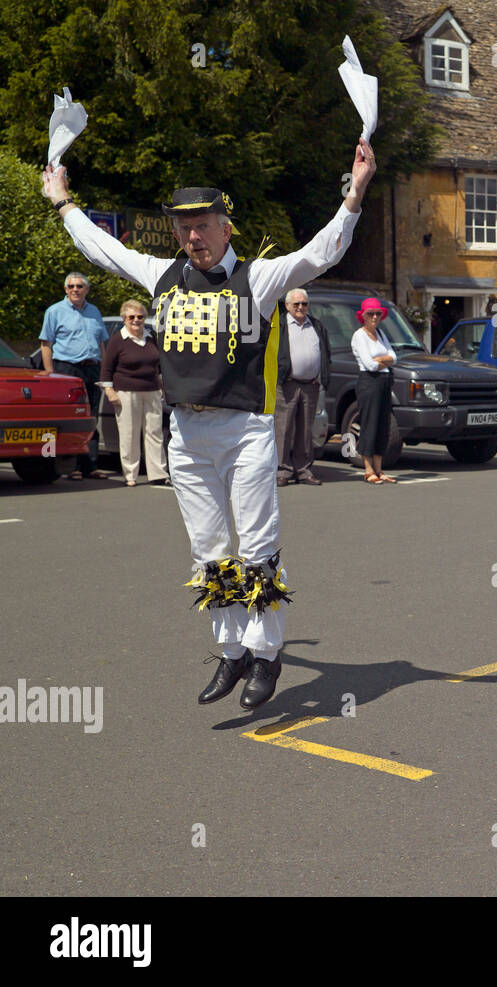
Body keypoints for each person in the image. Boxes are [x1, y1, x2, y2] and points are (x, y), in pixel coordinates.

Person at [43, 139, 376, 710]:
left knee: (258, 548)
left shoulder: (262, 278)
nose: (192, 236)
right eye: (183, 227)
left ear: (226, 228)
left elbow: (322, 253)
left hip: (244, 431)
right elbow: (102, 250)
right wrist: (63, 201)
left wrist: (357, 189)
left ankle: (267, 653)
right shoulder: (161, 276)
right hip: (186, 433)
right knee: (208, 550)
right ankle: (231, 650)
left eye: (202, 225)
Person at [39, 272, 110, 479]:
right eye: (71, 286)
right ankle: (71, 467)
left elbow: (101, 345)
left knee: (90, 417)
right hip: (67, 370)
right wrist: (50, 373)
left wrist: (104, 373)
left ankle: (91, 465)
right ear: (65, 289)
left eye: (79, 286)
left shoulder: (94, 312)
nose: (75, 290)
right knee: (68, 418)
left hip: (92, 370)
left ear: (87, 289)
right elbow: (46, 344)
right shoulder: (55, 311)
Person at [100, 299, 167, 486]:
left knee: (154, 433)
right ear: (124, 319)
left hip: (152, 391)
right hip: (126, 392)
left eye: (140, 316)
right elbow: (106, 368)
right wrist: (109, 390)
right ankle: (130, 475)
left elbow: (159, 365)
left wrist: (162, 387)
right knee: (129, 434)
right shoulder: (117, 340)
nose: (136, 320)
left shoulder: (151, 337)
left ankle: (158, 473)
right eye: (132, 317)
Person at [275, 288, 331, 486]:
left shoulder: (316, 325)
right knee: (283, 429)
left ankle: (304, 470)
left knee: (306, 430)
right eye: (296, 304)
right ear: (288, 305)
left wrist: (322, 375)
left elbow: (326, 352)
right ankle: (282, 471)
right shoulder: (279, 324)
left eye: (304, 304)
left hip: (311, 385)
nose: (300, 307)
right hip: (286, 384)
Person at [350, 297, 397, 483]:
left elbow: (395, 357)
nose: (375, 317)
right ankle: (368, 469)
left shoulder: (381, 334)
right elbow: (369, 365)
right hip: (369, 382)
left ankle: (379, 468)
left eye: (378, 313)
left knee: (383, 425)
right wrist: (384, 360)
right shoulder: (359, 336)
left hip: (384, 381)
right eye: (370, 314)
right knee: (369, 424)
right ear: (363, 316)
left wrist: (382, 360)